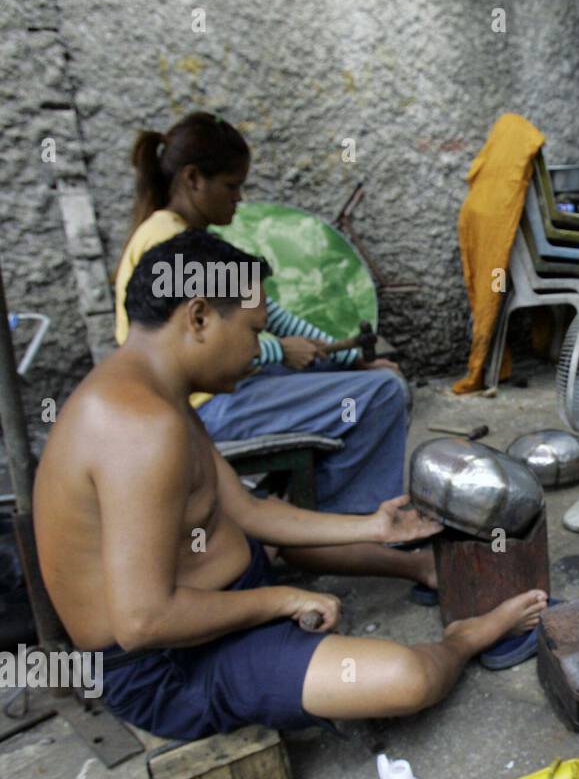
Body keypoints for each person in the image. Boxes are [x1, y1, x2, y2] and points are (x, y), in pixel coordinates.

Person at [34, 229, 547, 740]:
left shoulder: (154, 390)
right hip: (171, 666)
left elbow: (248, 512)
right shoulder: (138, 426)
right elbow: (142, 622)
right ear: (198, 317)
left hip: (217, 604)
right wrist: (281, 601)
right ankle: (464, 638)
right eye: (254, 330)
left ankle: (421, 570)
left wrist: (372, 526)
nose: (258, 351)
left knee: (298, 544)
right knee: (407, 680)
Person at [114, 112, 434, 601]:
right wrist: (279, 350)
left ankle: (335, 526)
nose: (239, 199)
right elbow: (199, 341)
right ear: (192, 179)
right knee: (383, 394)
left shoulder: (196, 240)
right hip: (209, 408)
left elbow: (270, 317)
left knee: (373, 379)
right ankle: (358, 530)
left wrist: (345, 359)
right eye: (231, 186)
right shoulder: (167, 242)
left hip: (212, 402)